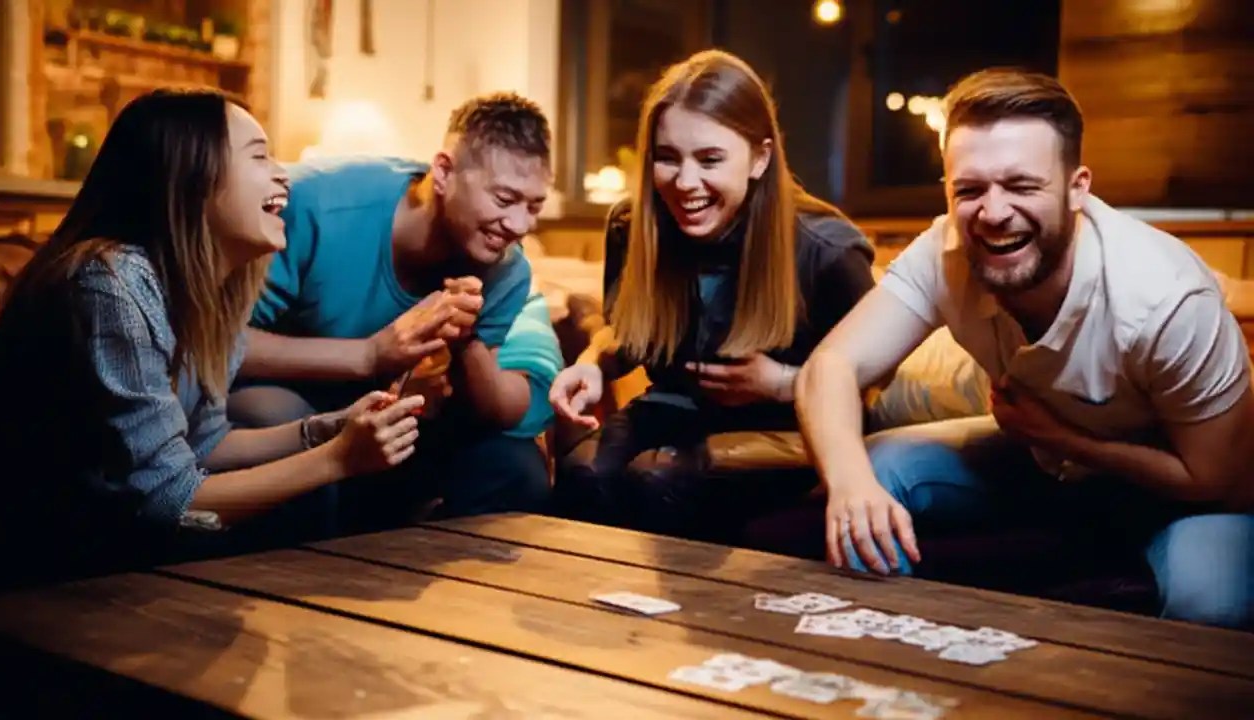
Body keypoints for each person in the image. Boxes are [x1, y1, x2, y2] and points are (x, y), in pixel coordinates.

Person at [796, 67, 1254, 629]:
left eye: (1021, 185)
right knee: (877, 468)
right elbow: (830, 367)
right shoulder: (946, 251)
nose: (992, 213)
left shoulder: (1164, 300)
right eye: (969, 189)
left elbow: (1214, 478)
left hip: (1183, 494)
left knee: (1212, 604)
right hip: (1043, 460)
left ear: (1077, 187)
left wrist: (1060, 437)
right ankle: (895, 664)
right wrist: (850, 486)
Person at [0, 89, 424, 583]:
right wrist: (338, 459)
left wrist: (325, 430)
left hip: (110, 542)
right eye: (259, 156)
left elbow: (205, 444)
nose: (283, 173)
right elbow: (168, 500)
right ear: (190, 178)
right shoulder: (111, 284)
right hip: (37, 560)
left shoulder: (208, 292)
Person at [548, 49, 875, 540]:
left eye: (710, 159)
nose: (684, 183)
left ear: (760, 158)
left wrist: (782, 382)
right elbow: (633, 335)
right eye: (667, 158)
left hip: (786, 426)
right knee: (582, 477)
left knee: (658, 484)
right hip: (675, 409)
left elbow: (877, 381)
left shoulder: (826, 251)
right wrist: (594, 363)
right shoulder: (633, 227)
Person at [229, 92, 560, 527]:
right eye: (504, 200)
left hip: (391, 421)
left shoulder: (506, 270)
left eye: (533, 206)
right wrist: (370, 354)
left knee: (514, 465)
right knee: (275, 414)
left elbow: (487, 410)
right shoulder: (318, 206)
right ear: (444, 172)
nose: (519, 226)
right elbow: (226, 343)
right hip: (288, 404)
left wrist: (465, 340)